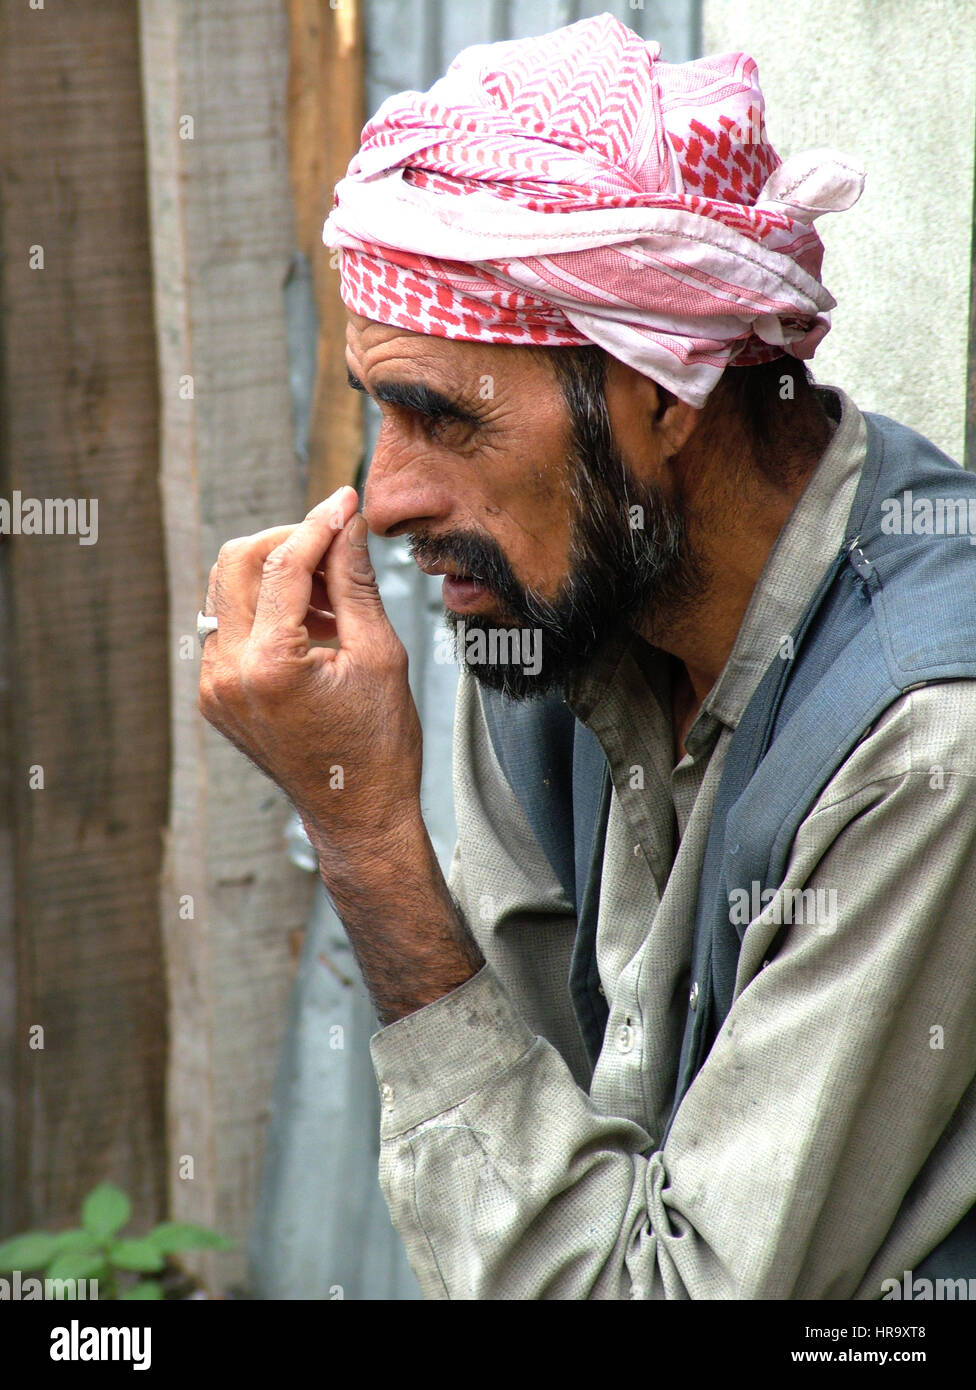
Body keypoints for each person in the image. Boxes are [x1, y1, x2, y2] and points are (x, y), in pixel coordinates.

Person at [198, 15, 976, 1297]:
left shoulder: (925, 733)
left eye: (438, 417)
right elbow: (536, 1168)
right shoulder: (552, 605)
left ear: (662, 392)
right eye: (374, 412)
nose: (382, 500)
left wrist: (367, 839)